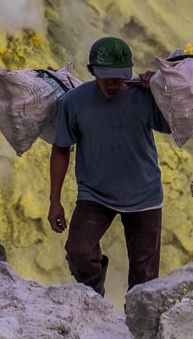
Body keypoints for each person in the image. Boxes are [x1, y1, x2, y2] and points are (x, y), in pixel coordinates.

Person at [48, 36, 171, 296]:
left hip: (144, 195)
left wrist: (163, 89)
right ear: (92, 72)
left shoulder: (145, 97)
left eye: (119, 78)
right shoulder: (75, 101)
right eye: (106, 78)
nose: (113, 85)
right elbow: (60, 148)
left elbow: (179, 122)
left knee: (145, 278)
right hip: (95, 194)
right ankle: (94, 300)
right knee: (78, 252)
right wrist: (54, 200)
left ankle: (137, 317)